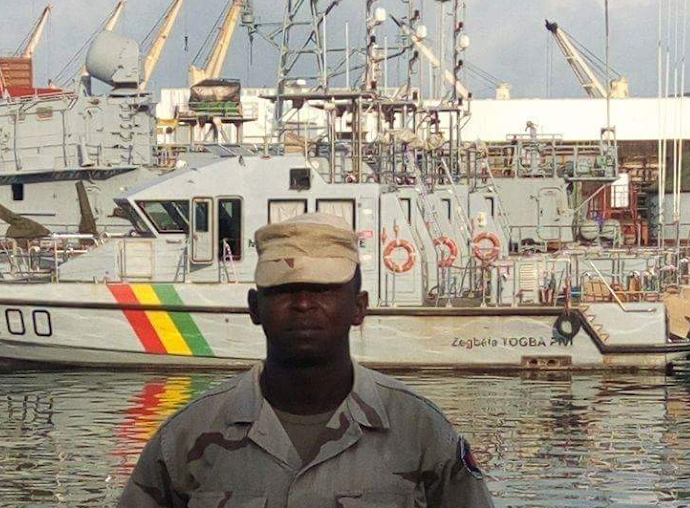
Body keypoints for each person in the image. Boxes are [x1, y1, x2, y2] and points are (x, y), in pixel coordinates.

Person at [118, 212, 494, 507]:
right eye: (284, 290)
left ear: (359, 308)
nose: (302, 304)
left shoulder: (422, 435)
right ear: (254, 308)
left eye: (323, 290)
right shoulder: (186, 439)